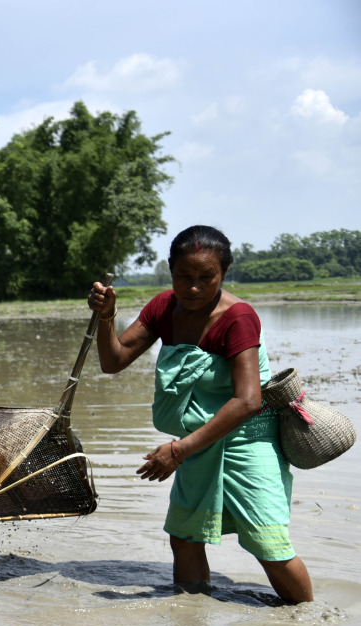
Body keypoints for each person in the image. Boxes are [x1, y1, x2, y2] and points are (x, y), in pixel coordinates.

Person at [88, 225, 313, 603]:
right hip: (198, 441)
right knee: (186, 537)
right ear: (170, 270)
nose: (193, 288)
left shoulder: (238, 317)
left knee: (267, 543)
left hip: (245, 438)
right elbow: (114, 361)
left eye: (206, 278)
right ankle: (190, 613)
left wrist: (178, 451)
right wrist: (107, 317)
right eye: (183, 277)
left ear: (223, 273)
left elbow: (247, 401)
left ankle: (306, 624)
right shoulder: (163, 307)